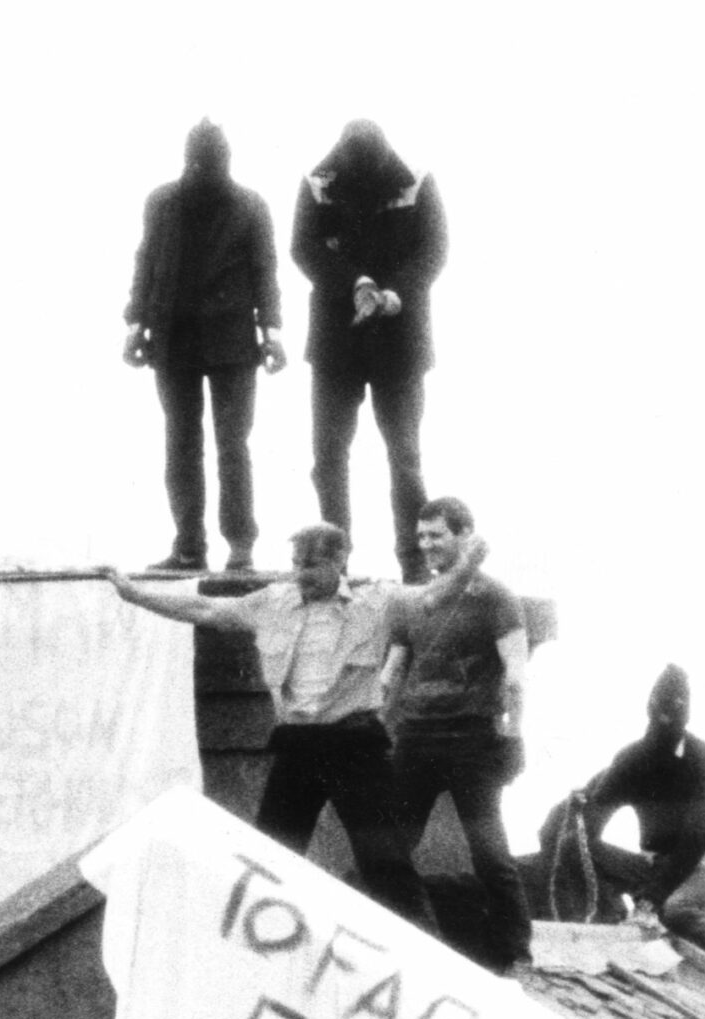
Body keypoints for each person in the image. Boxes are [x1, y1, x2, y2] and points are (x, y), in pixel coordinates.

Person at [104, 524, 480, 932]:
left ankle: (419, 952)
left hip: (354, 745)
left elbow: (431, 598)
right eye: (297, 564)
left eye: (313, 565)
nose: (302, 573)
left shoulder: (378, 601)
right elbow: (206, 610)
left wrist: (468, 564)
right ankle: (261, 947)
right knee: (271, 857)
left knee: (385, 860)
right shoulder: (272, 602)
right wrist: (135, 594)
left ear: (340, 560)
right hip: (298, 745)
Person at [123, 120, 286, 574]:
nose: (206, 169)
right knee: (182, 442)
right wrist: (135, 322)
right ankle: (190, 547)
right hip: (173, 337)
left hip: (232, 341)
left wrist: (272, 330)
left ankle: (240, 548)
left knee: (232, 444)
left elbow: (264, 269)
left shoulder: (251, 206)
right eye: (198, 161)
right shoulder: (161, 203)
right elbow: (146, 261)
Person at [291, 119, 448, 583]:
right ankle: (334, 562)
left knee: (404, 455)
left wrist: (397, 292)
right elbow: (304, 248)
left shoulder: (418, 182)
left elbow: (434, 249)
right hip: (337, 341)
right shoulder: (318, 184)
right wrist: (355, 283)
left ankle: (414, 564)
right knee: (329, 454)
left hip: (400, 341)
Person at [385, 497, 535, 976]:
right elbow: (392, 672)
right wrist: (381, 724)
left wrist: (514, 733)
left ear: (465, 534)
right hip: (415, 737)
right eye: (422, 536)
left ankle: (515, 952)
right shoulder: (414, 602)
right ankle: (391, 938)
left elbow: (515, 672)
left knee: (488, 850)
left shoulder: (497, 597)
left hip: (472, 739)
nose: (427, 545)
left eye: (438, 535)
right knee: (393, 846)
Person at [576, 664, 705, 963]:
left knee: (678, 911)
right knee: (580, 848)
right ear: (649, 710)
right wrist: (581, 807)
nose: (666, 722)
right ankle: (615, 913)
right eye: (661, 712)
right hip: (656, 865)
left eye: (675, 713)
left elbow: (696, 838)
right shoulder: (631, 758)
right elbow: (592, 821)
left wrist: (653, 896)